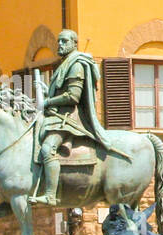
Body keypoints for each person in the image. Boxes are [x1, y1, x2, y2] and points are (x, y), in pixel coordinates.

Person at [29, 30, 110, 206]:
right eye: (59, 41)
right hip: (56, 116)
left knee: (47, 149)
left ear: (74, 43)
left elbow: (73, 96)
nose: (60, 44)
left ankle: (50, 195)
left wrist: (47, 101)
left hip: (68, 118)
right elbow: (61, 91)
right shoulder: (64, 64)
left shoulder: (76, 65)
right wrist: (45, 91)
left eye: (64, 41)